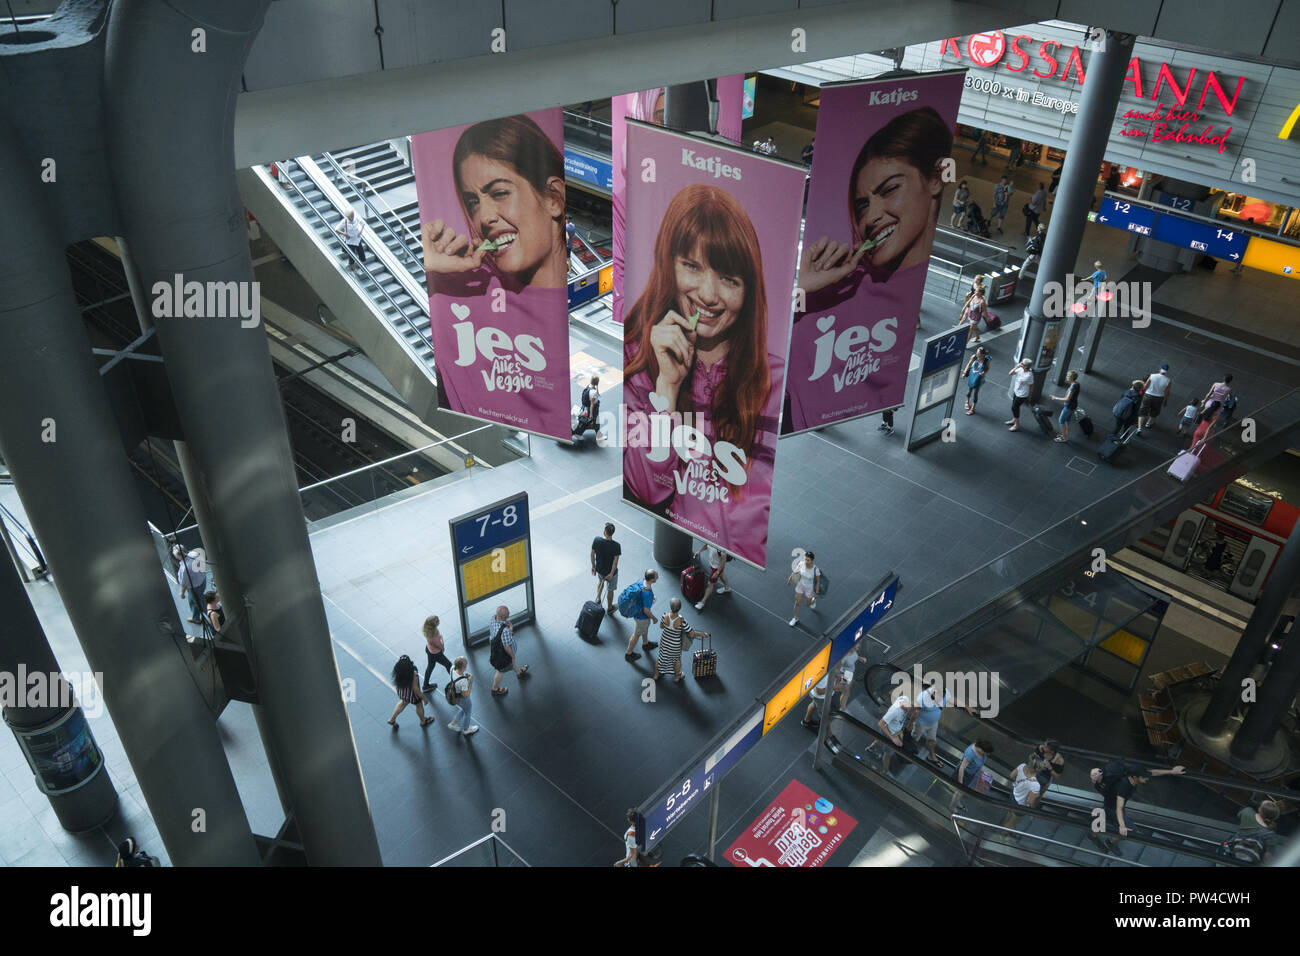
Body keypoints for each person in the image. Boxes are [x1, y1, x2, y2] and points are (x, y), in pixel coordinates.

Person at [622, 184, 780, 556]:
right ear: (667, 264)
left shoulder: (775, 380)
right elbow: (647, 488)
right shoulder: (640, 356)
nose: (708, 294)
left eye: (728, 278)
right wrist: (666, 389)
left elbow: (753, 512)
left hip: (732, 557)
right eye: (691, 266)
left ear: (749, 289)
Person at [795, 106, 951, 300]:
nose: (871, 217)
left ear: (935, 179)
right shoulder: (836, 287)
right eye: (863, 205)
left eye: (890, 189)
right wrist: (804, 287)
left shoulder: (906, 297)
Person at [421, 114, 568, 295]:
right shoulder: (464, 294)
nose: (484, 217)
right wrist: (431, 266)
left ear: (553, 199)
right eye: (473, 202)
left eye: (500, 193)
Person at [1091, 763, 1186, 852]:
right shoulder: (1124, 787)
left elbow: (1153, 772)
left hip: (1111, 802)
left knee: (1104, 819)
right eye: (1144, 777)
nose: (1147, 778)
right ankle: (1109, 841)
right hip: (1113, 807)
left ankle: (1095, 836)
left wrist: (1172, 771)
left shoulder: (1132, 775)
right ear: (1135, 777)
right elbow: (1119, 808)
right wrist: (1122, 826)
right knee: (1129, 830)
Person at [652, 597, 708, 683]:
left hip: (664, 642)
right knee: (676, 659)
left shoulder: (664, 615)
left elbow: (661, 626)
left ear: (670, 607)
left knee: (660, 658)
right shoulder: (682, 621)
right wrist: (702, 634)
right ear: (680, 608)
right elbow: (692, 633)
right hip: (675, 645)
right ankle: (677, 677)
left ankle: (656, 675)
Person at [802, 648, 857, 729]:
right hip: (820, 697)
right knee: (825, 717)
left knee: (814, 704)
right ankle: (829, 737)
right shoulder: (821, 674)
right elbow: (819, 692)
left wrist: (840, 676)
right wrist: (835, 687)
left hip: (819, 695)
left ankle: (806, 721)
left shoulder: (835, 662)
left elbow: (837, 672)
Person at [488, 605, 529, 695]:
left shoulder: (493, 619)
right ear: (504, 617)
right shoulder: (505, 631)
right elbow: (507, 646)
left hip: (495, 648)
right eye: (508, 614)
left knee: (511, 663)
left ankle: (519, 672)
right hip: (503, 654)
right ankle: (495, 689)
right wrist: (512, 655)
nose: (509, 614)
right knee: (500, 671)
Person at [874, 690, 917, 773]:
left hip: (895, 730)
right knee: (888, 754)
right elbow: (880, 723)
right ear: (910, 708)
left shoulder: (905, 699)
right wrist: (893, 738)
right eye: (912, 713)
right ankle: (885, 771)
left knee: (879, 738)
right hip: (890, 733)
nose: (911, 715)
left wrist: (911, 722)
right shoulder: (895, 711)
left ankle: (872, 747)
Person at [388, 654, 435, 728]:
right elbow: (416, 689)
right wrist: (424, 698)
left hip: (402, 692)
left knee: (403, 703)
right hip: (412, 695)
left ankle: (392, 719)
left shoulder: (397, 670)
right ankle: (423, 721)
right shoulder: (413, 674)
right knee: (419, 705)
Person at [623, 569, 659, 662]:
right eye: (656, 576)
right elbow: (646, 610)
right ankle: (629, 653)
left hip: (638, 613)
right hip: (641, 617)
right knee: (636, 634)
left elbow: (641, 596)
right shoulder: (647, 593)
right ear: (651, 579)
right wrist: (654, 618)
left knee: (644, 628)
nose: (657, 576)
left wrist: (651, 599)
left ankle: (645, 644)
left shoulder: (642, 581)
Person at [1003, 754, 1046, 829]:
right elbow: (1029, 802)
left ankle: (1004, 826)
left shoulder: (1022, 766)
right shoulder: (1036, 785)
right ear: (1038, 769)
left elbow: (1011, 775)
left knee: (1010, 813)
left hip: (1013, 795)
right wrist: (1036, 795)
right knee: (1012, 823)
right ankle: (1003, 836)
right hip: (1021, 805)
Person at [591, 522, 622, 614]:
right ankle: (609, 608)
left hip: (600, 569)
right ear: (612, 533)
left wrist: (593, 567)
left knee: (600, 582)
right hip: (611, 573)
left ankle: (598, 599)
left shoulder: (597, 540)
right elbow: (615, 563)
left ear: (604, 531)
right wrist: (611, 574)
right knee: (610, 589)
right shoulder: (616, 546)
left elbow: (592, 554)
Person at [1134, 363, 1173, 434]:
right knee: (1155, 412)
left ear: (1160, 368)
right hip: (1159, 398)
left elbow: (1145, 386)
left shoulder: (1152, 376)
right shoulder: (1168, 380)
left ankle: (1139, 428)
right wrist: (1166, 401)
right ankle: (1148, 424)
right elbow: (1167, 392)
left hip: (1148, 396)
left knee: (1143, 411)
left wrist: (1141, 393)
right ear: (1167, 371)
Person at [787, 551, 821, 627]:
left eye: (808, 560)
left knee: (808, 604)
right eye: (805, 559)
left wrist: (816, 593)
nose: (806, 561)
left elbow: (818, 582)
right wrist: (789, 579)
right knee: (797, 602)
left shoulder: (816, 569)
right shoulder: (801, 563)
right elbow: (795, 571)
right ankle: (795, 618)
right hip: (800, 585)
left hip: (809, 588)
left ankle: (813, 600)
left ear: (812, 560)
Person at [692, 543, 730, 611]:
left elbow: (724, 560)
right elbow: (707, 545)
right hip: (713, 564)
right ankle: (727, 588)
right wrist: (699, 551)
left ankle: (702, 602)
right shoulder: (711, 538)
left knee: (710, 584)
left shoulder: (721, 546)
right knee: (722, 574)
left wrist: (717, 571)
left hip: (717, 567)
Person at [175, 547, 208, 625]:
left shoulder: (185, 568)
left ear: (179, 556)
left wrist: (182, 594)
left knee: (200, 603)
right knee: (192, 601)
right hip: (202, 580)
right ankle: (195, 618)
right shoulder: (194, 554)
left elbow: (184, 583)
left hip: (195, 588)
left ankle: (210, 618)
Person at [446, 656, 478, 736]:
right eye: (465, 665)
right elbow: (466, 695)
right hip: (463, 699)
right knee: (468, 712)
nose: (467, 666)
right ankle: (466, 729)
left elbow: (459, 674)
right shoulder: (463, 681)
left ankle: (453, 723)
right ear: (463, 667)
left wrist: (465, 674)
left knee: (464, 709)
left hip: (455, 695)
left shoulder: (452, 668)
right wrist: (470, 682)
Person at [422, 615, 453, 693]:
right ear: (433, 625)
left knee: (430, 667)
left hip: (429, 650)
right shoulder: (434, 635)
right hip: (436, 653)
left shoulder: (427, 631)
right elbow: (439, 646)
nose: (439, 621)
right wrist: (442, 645)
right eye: (437, 621)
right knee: (449, 665)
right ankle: (457, 680)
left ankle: (425, 686)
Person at [1050, 369, 1080, 442]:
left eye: (1067, 376)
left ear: (1071, 378)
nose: (1066, 377)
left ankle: (1064, 438)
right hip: (1073, 405)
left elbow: (1067, 399)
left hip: (1069, 406)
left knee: (1061, 421)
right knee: (1067, 420)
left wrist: (1055, 398)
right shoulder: (1077, 384)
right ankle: (1065, 435)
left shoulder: (1072, 387)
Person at [1006, 358, 1035, 432]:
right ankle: (1014, 420)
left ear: (1025, 366)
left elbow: (1032, 385)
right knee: (1015, 407)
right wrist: (1016, 367)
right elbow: (1010, 373)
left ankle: (1017, 425)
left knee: (1014, 407)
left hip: (1022, 394)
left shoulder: (1029, 375)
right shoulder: (1020, 369)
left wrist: (1030, 396)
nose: (1020, 364)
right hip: (1016, 391)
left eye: (1022, 363)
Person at [962, 346, 989, 415]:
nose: (977, 354)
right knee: (969, 390)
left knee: (975, 393)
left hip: (979, 378)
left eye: (978, 353)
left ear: (982, 355)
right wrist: (965, 372)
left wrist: (983, 373)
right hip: (972, 376)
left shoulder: (986, 360)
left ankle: (972, 409)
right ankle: (967, 402)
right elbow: (969, 364)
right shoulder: (974, 357)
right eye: (977, 353)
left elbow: (987, 368)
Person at [960, 278, 987, 346]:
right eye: (975, 291)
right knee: (974, 328)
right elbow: (968, 303)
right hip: (970, 314)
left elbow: (985, 311)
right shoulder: (974, 295)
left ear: (980, 293)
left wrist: (987, 318)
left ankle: (965, 344)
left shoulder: (982, 302)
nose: (975, 292)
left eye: (976, 291)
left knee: (971, 329)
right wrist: (963, 309)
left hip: (976, 317)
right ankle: (977, 337)